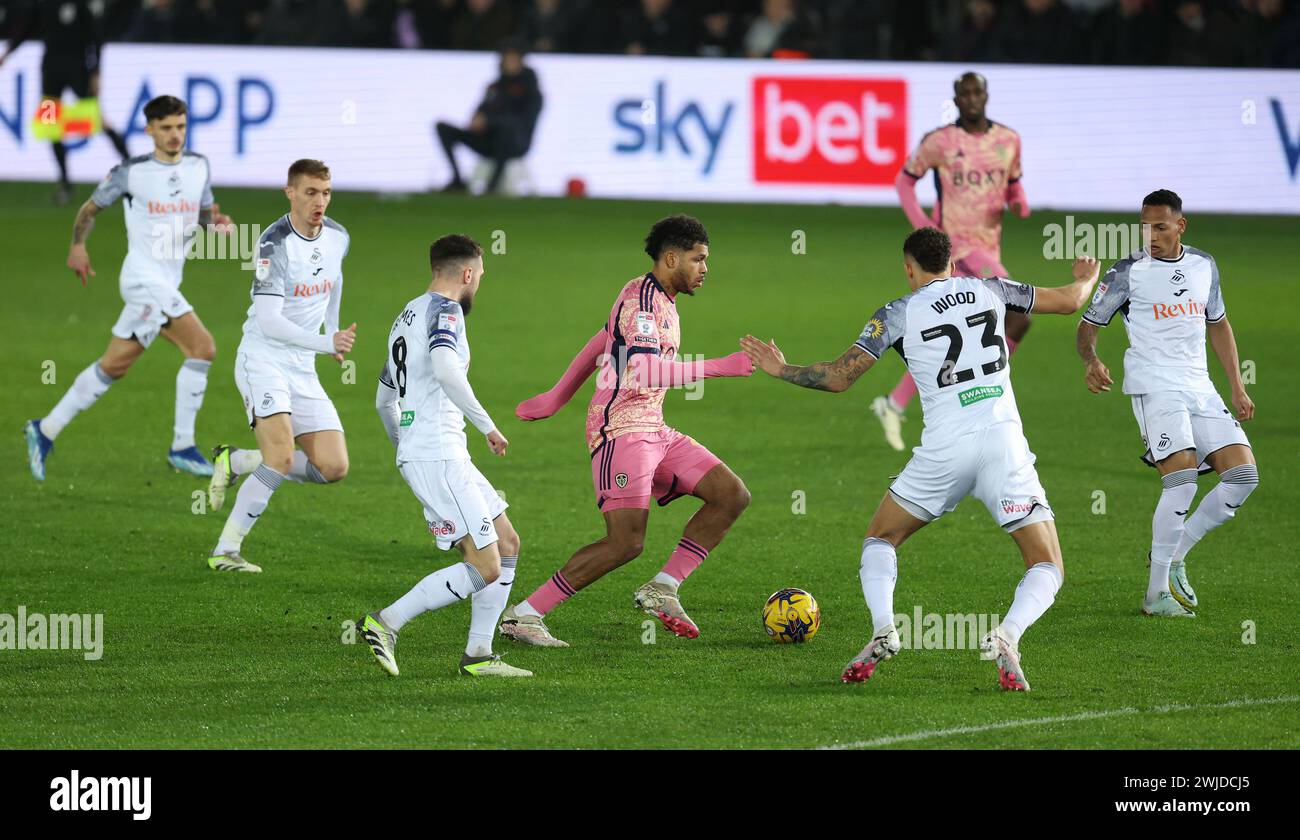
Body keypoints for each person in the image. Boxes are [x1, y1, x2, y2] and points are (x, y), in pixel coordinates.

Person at [742, 227, 1100, 691]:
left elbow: (837, 378)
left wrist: (779, 368)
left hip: (944, 451)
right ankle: (1008, 637)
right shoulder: (991, 289)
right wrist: (1087, 277)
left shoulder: (897, 313)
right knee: (1046, 565)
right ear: (953, 263)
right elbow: (1071, 300)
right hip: (1003, 445)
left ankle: (884, 628)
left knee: (881, 538)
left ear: (909, 269)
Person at [500, 214, 754, 646]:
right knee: (625, 542)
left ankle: (664, 586)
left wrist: (558, 395)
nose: (705, 268)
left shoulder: (663, 301)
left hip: (653, 427)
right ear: (671, 257)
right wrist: (720, 367)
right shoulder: (640, 298)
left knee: (731, 495)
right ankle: (524, 615)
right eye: (698, 258)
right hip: (619, 430)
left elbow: (602, 340)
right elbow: (644, 368)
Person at [25, 95, 231, 482]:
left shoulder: (199, 166)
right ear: (150, 129)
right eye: (166, 127)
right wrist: (77, 246)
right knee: (202, 348)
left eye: (181, 127)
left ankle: (45, 429)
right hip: (142, 278)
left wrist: (217, 225)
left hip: (167, 282)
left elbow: (204, 217)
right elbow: (90, 209)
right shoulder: (130, 171)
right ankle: (182, 446)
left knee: (114, 366)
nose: (175, 135)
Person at [1076, 189, 1256, 618]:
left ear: (1180, 225)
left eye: (1159, 226)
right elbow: (1088, 325)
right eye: (1145, 226)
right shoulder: (1127, 272)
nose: (1151, 235)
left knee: (1244, 477)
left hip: (1199, 386)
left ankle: (1175, 556)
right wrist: (1091, 360)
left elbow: (1219, 324)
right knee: (1183, 481)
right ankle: (1155, 595)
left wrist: (1237, 386)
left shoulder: (1203, 265)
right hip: (1154, 385)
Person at [357, 235, 531, 678]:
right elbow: (446, 368)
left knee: (507, 543)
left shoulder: (405, 315)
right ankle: (387, 622)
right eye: (480, 277)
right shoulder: (446, 311)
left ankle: (478, 655)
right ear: (468, 274)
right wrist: (487, 425)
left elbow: (383, 400)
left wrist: (406, 448)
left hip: (434, 453)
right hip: (440, 454)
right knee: (486, 565)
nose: (479, 285)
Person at [204, 159, 356, 573]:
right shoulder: (274, 244)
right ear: (290, 192)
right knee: (281, 458)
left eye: (325, 192)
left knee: (333, 467)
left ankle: (235, 461)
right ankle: (226, 550)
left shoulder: (338, 236)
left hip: (302, 363)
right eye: (310, 192)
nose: (319, 201)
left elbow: (334, 282)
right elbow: (270, 321)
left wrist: (335, 331)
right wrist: (327, 342)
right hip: (264, 358)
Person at [874, 72, 1029, 451]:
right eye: (964, 93)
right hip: (956, 248)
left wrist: (1019, 201)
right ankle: (984, 390)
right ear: (956, 99)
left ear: (986, 96)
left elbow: (1013, 183)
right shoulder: (940, 141)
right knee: (1019, 314)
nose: (972, 98)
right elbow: (904, 182)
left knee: (967, 326)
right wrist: (925, 226)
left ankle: (894, 404)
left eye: (977, 92)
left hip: (989, 247)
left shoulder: (1008, 140)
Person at [0, 0, 132, 204]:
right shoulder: (43, 4)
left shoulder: (81, 5)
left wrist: (96, 72)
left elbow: (95, 38)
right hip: (50, 71)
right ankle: (65, 184)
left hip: (79, 70)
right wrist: (8, 53)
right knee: (50, 125)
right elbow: (26, 29)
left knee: (99, 120)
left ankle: (132, 173)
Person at [434, 42, 542, 194]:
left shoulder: (531, 91)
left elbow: (523, 121)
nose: (509, 63)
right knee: (442, 127)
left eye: (513, 59)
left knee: (506, 130)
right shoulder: (494, 87)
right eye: (507, 58)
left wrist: (490, 121)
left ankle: (492, 186)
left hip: (515, 143)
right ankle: (457, 180)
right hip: (488, 141)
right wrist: (477, 120)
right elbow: (481, 110)